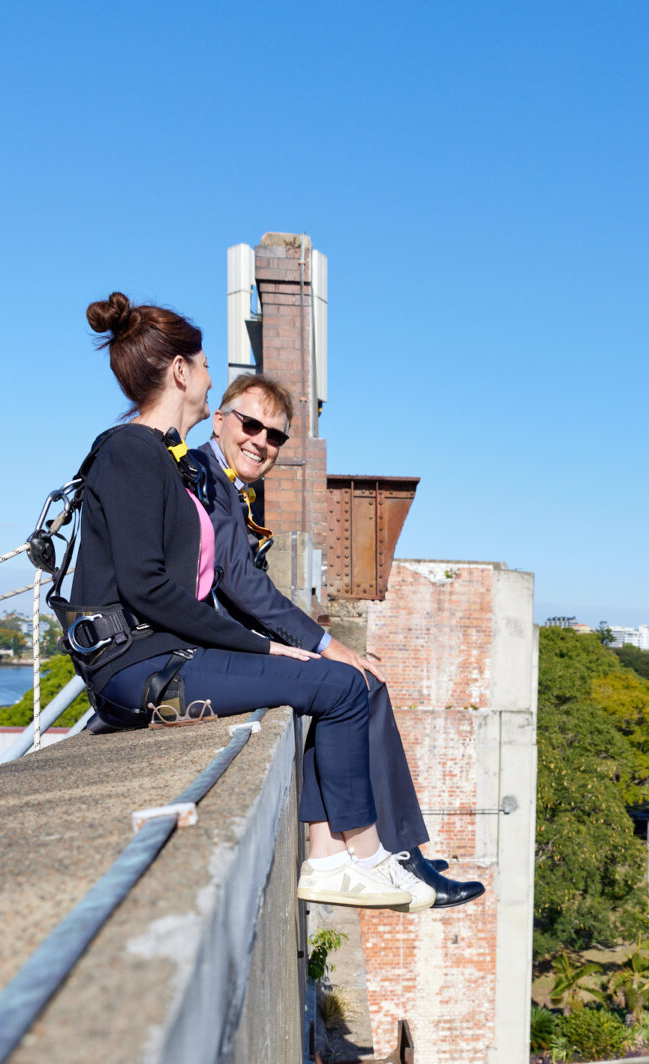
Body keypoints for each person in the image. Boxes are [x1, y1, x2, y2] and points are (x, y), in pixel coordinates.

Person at [70, 292, 434, 914]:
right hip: (138, 669)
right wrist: (265, 647)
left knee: (332, 682)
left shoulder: (163, 457)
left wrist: (270, 648)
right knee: (339, 686)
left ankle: (336, 860)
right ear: (180, 371)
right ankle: (359, 859)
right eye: (205, 365)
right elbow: (146, 588)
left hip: (161, 657)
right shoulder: (131, 451)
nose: (211, 378)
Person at [189, 373, 482, 910]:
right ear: (219, 420)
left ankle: (394, 850)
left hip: (227, 643)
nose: (261, 441)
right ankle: (388, 854)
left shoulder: (230, 482)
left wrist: (320, 646)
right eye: (250, 425)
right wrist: (325, 644)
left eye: (275, 435)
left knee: (360, 681)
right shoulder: (205, 474)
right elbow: (239, 583)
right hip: (207, 654)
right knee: (351, 681)